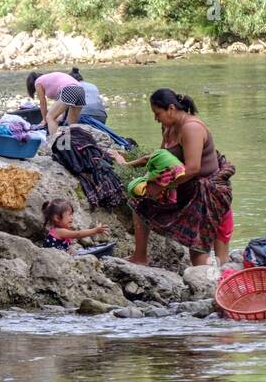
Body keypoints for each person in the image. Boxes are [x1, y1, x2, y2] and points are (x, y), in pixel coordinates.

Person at [130, 88, 234, 267]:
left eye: (158, 113)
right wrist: (130, 165)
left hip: (205, 193)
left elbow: (193, 169)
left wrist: (162, 187)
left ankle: (211, 283)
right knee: (140, 204)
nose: (156, 118)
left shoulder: (191, 128)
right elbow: (160, 157)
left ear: (171, 108)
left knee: (198, 254)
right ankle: (140, 258)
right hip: (184, 185)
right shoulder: (169, 128)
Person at [26, 70, 85, 136]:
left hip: (69, 89)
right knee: (72, 124)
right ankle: (76, 142)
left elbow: (42, 102)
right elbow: (63, 104)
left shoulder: (38, 81)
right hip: (80, 90)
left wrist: (45, 119)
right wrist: (61, 116)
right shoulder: (50, 79)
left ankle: (56, 143)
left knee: (50, 117)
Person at [42, 199, 109, 254]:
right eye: (69, 215)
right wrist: (95, 230)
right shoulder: (59, 231)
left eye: (72, 214)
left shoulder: (57, 230)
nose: (72, 218)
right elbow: (78, 234)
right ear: (57, 218)